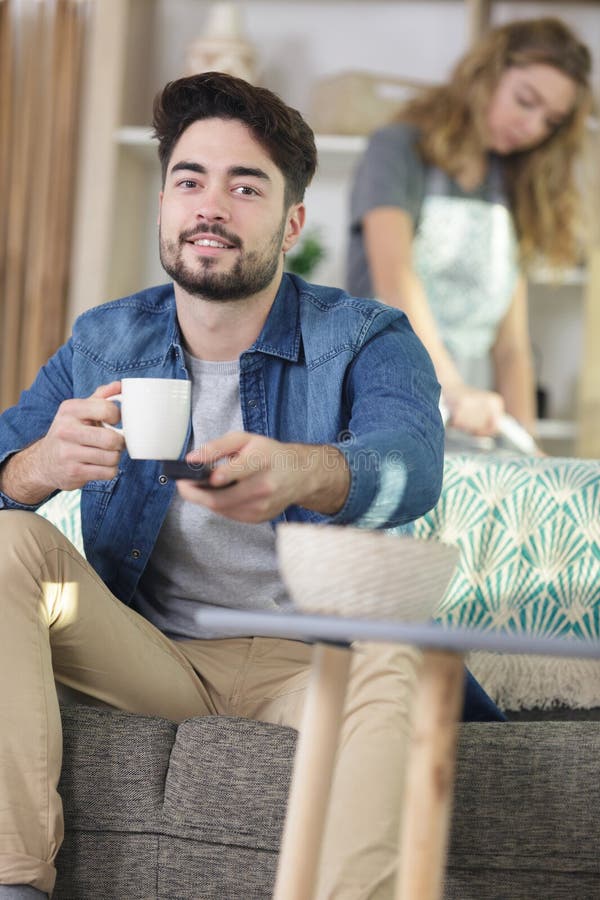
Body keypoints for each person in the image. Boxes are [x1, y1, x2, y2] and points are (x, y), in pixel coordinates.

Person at [0, 71, 484, 900]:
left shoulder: (367, 335)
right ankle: (15, 885)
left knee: (396, 660)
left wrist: (300, 469)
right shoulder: (105, 338)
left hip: (315, 660)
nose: (209, 206)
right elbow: (10, 463)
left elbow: (412, 464)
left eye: (244, 185)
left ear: (293, 222)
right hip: (147, 652)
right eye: (189, 181)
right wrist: (36, 466)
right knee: (9, 546)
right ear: (162, 207)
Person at [348, 17, 593, 440]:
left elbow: (511, 347)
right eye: (525, 100)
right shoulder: (398, 150)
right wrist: (451, 386)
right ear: (487, 75)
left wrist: (528, 451)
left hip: (470, 411)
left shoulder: (512, 181)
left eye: (550, 121)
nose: (533, 127)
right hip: (386, 390)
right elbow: (395, 281)